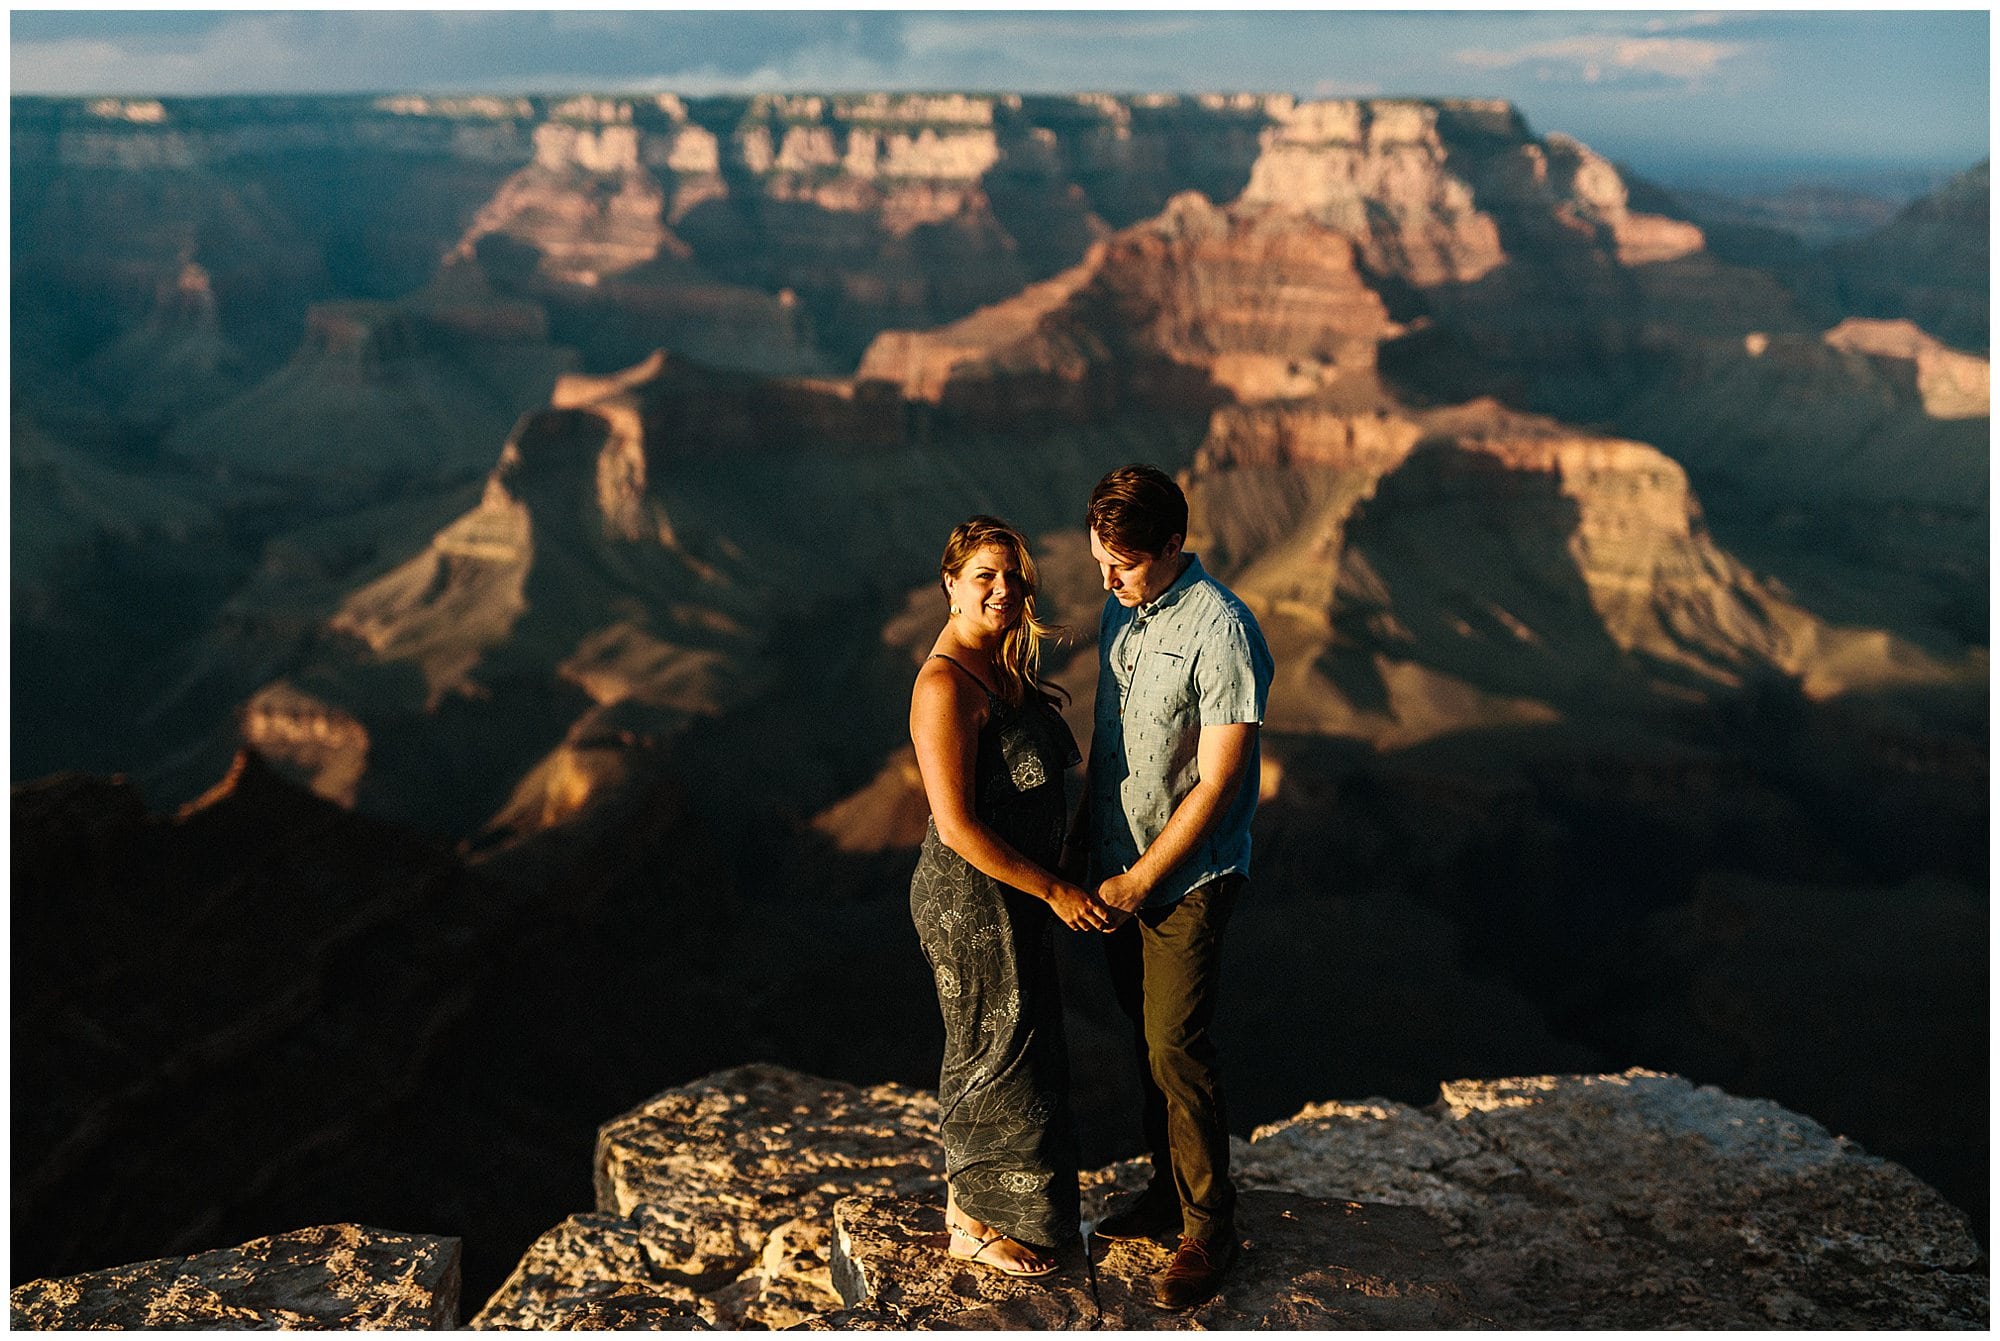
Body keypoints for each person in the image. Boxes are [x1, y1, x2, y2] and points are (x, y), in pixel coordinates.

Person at [1063, 464, 1274, 1311]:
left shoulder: (1223, 628)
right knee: (1141, 1038)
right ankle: (1165, 1189)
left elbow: (1220, 779)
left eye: (1126, 563)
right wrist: (1088, 858)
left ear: (1174, 546)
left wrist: (1141, 880)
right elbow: (1111, 750)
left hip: (1184, 878)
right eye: (1101, 559)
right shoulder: (1124, 607)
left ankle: (1209, 1232)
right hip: (1117, 867)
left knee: (1176, 1048)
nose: (1107, 579)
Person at [908, 515, 1118, 1279]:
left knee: (1029, 1042)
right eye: (984, 576)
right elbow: (957, 825)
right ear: (950, 584)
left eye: (1014, 575)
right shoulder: (944, 683)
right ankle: (972, 1220)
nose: (1003, 589)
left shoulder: (999, 665)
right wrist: (1058, 887)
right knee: (987, 1048)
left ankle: (1026, 1210)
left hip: (1017, 889)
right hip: (970, 896)